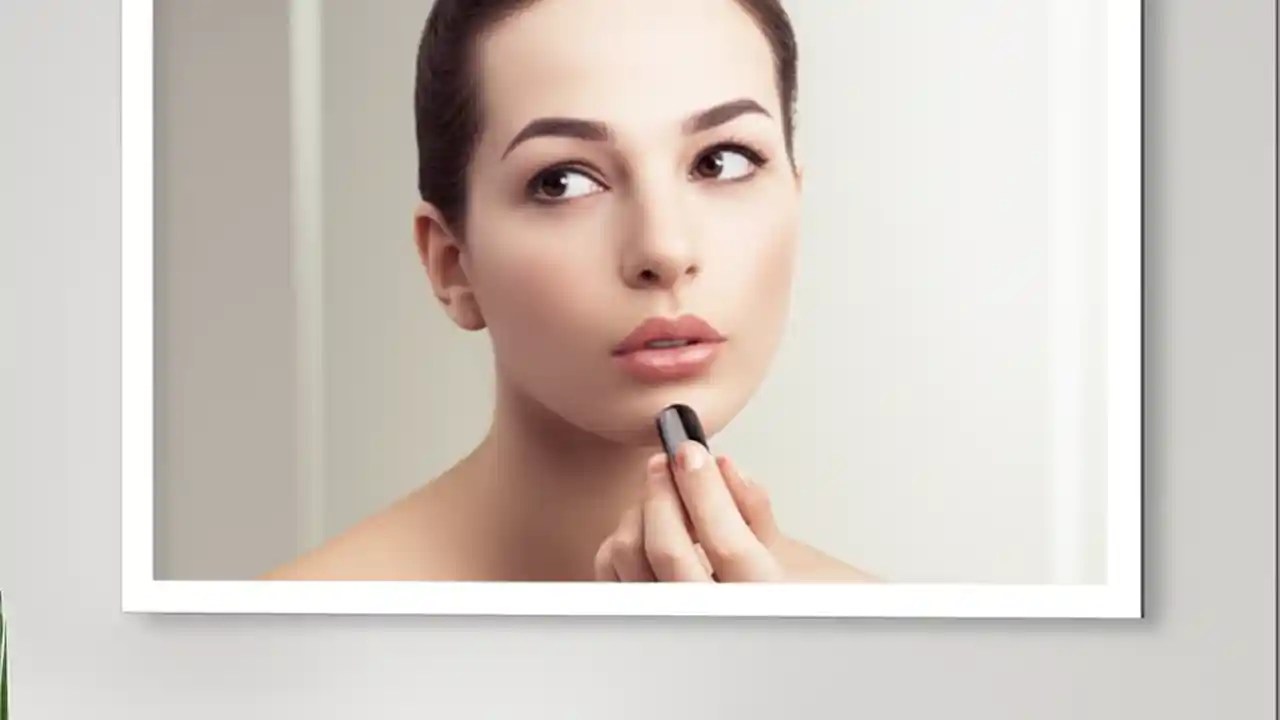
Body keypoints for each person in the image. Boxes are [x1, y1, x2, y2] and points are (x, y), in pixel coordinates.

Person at [265, 0, 878, 583]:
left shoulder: (904, 655)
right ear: (451, 263)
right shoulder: (271, 645)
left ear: (797, 203)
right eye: (562, 181)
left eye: (722, 161)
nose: (663, 251)